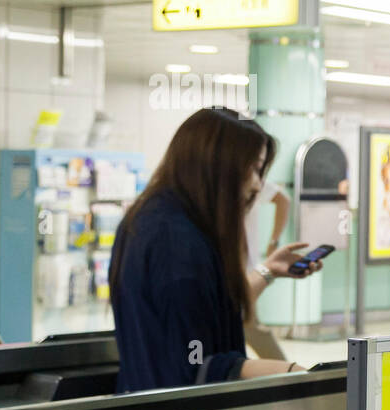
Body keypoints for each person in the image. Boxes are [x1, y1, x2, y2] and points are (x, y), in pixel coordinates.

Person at [109, 107, 323, 393]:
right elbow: (194, 366)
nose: (258, 185)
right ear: (218, 165)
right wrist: (292, 372)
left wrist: (268, 271)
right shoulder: (177, 241)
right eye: (254, 169)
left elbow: (207, 311)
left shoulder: (157, 218)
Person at [243, 178, 290, 360]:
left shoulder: (245, 178)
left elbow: (283, 200)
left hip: (241, 272)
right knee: (249, 327)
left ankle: (289, 379)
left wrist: (273, 242)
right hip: (242, 271)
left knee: (250, 327)